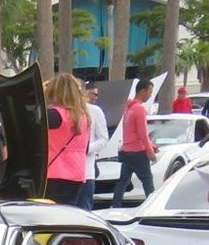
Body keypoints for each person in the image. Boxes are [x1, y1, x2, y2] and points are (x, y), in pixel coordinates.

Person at [43, 72, 93, 206]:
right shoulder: (84, 117)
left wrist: (40, 90)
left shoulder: (54, 115)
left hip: (54, 172)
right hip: (77, 173)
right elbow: (86, 147)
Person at [108, 78, 157, 207]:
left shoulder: (128, 108)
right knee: (147, 180)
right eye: (150, 92)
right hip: (137, 152)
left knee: (123, 180)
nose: (150, 95)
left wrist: (151, 145)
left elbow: (133, 132)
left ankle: (115, 204)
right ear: (143, 91)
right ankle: (152, 206)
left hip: (126, 150)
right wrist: (150, 151)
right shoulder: (139, 109)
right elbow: (142, 134)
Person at [84, 82, 112, 210]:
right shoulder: (62, 110)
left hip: (85, 172)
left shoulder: (94, 111)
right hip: (63, 174)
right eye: (94, 94)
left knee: (83, 210)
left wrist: (86, 149)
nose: (96, 97)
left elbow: (103, 138)